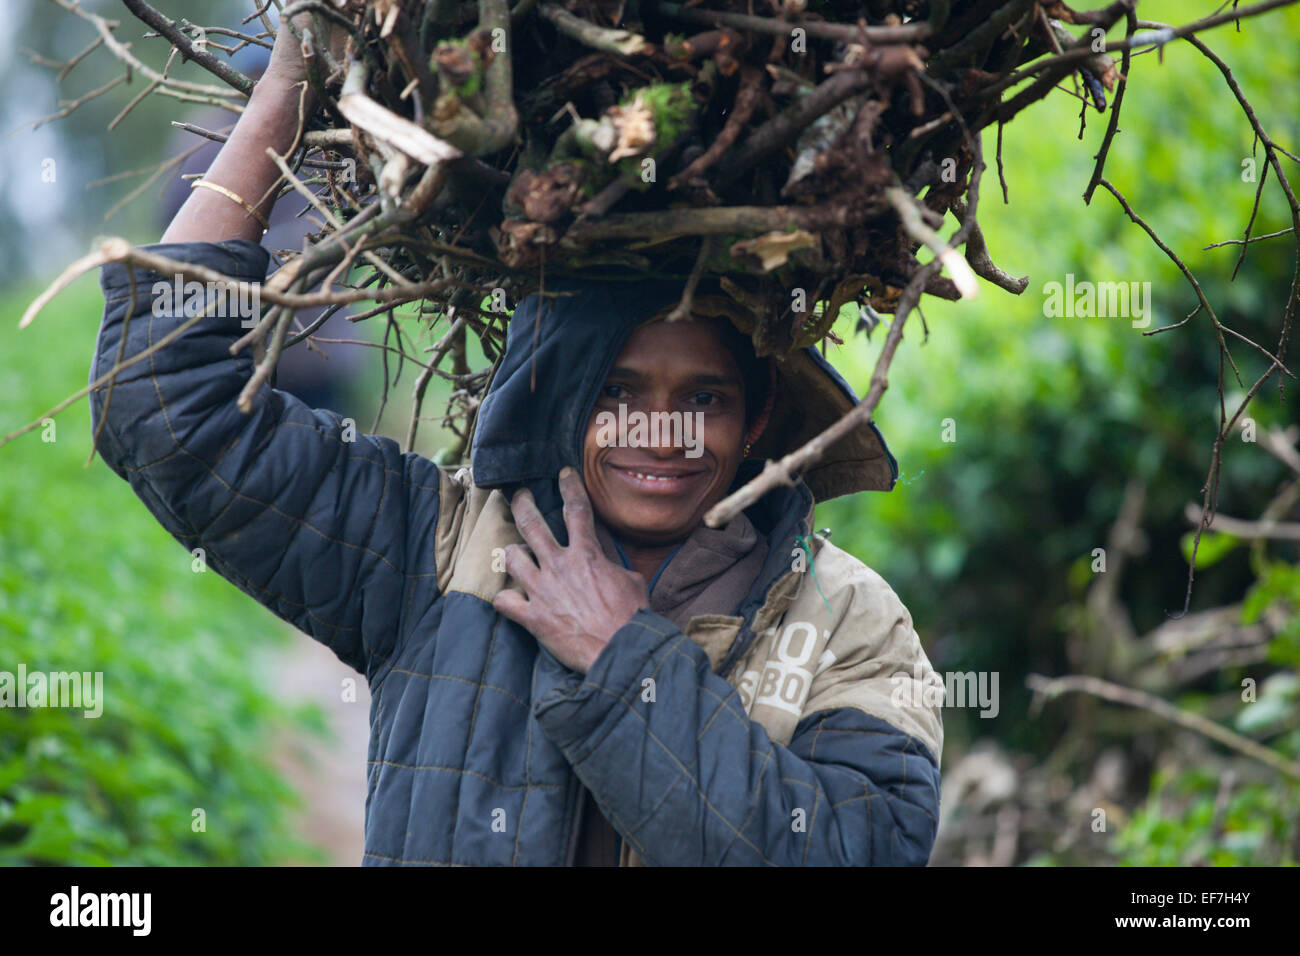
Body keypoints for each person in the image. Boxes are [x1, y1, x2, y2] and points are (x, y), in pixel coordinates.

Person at [88, 17, 943, 866]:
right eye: (615, 389)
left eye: (705, 397)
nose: (659, 430)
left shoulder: (845, 623)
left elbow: (854, 849)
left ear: (757, 421)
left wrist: (621, 659)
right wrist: (287, 86)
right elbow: (166, 403)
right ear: (561, 398)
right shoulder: (444, 549)